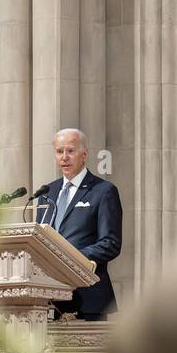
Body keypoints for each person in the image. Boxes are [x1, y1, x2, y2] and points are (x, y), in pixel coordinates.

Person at [37, 128, 122, 320]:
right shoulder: (46, 193)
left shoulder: (103, 191)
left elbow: (111, 244)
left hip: (88, 296)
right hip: (49, 300)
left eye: (70, 151)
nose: (64, 157)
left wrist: (68, 257)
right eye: (59, 152)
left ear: (84, 154)